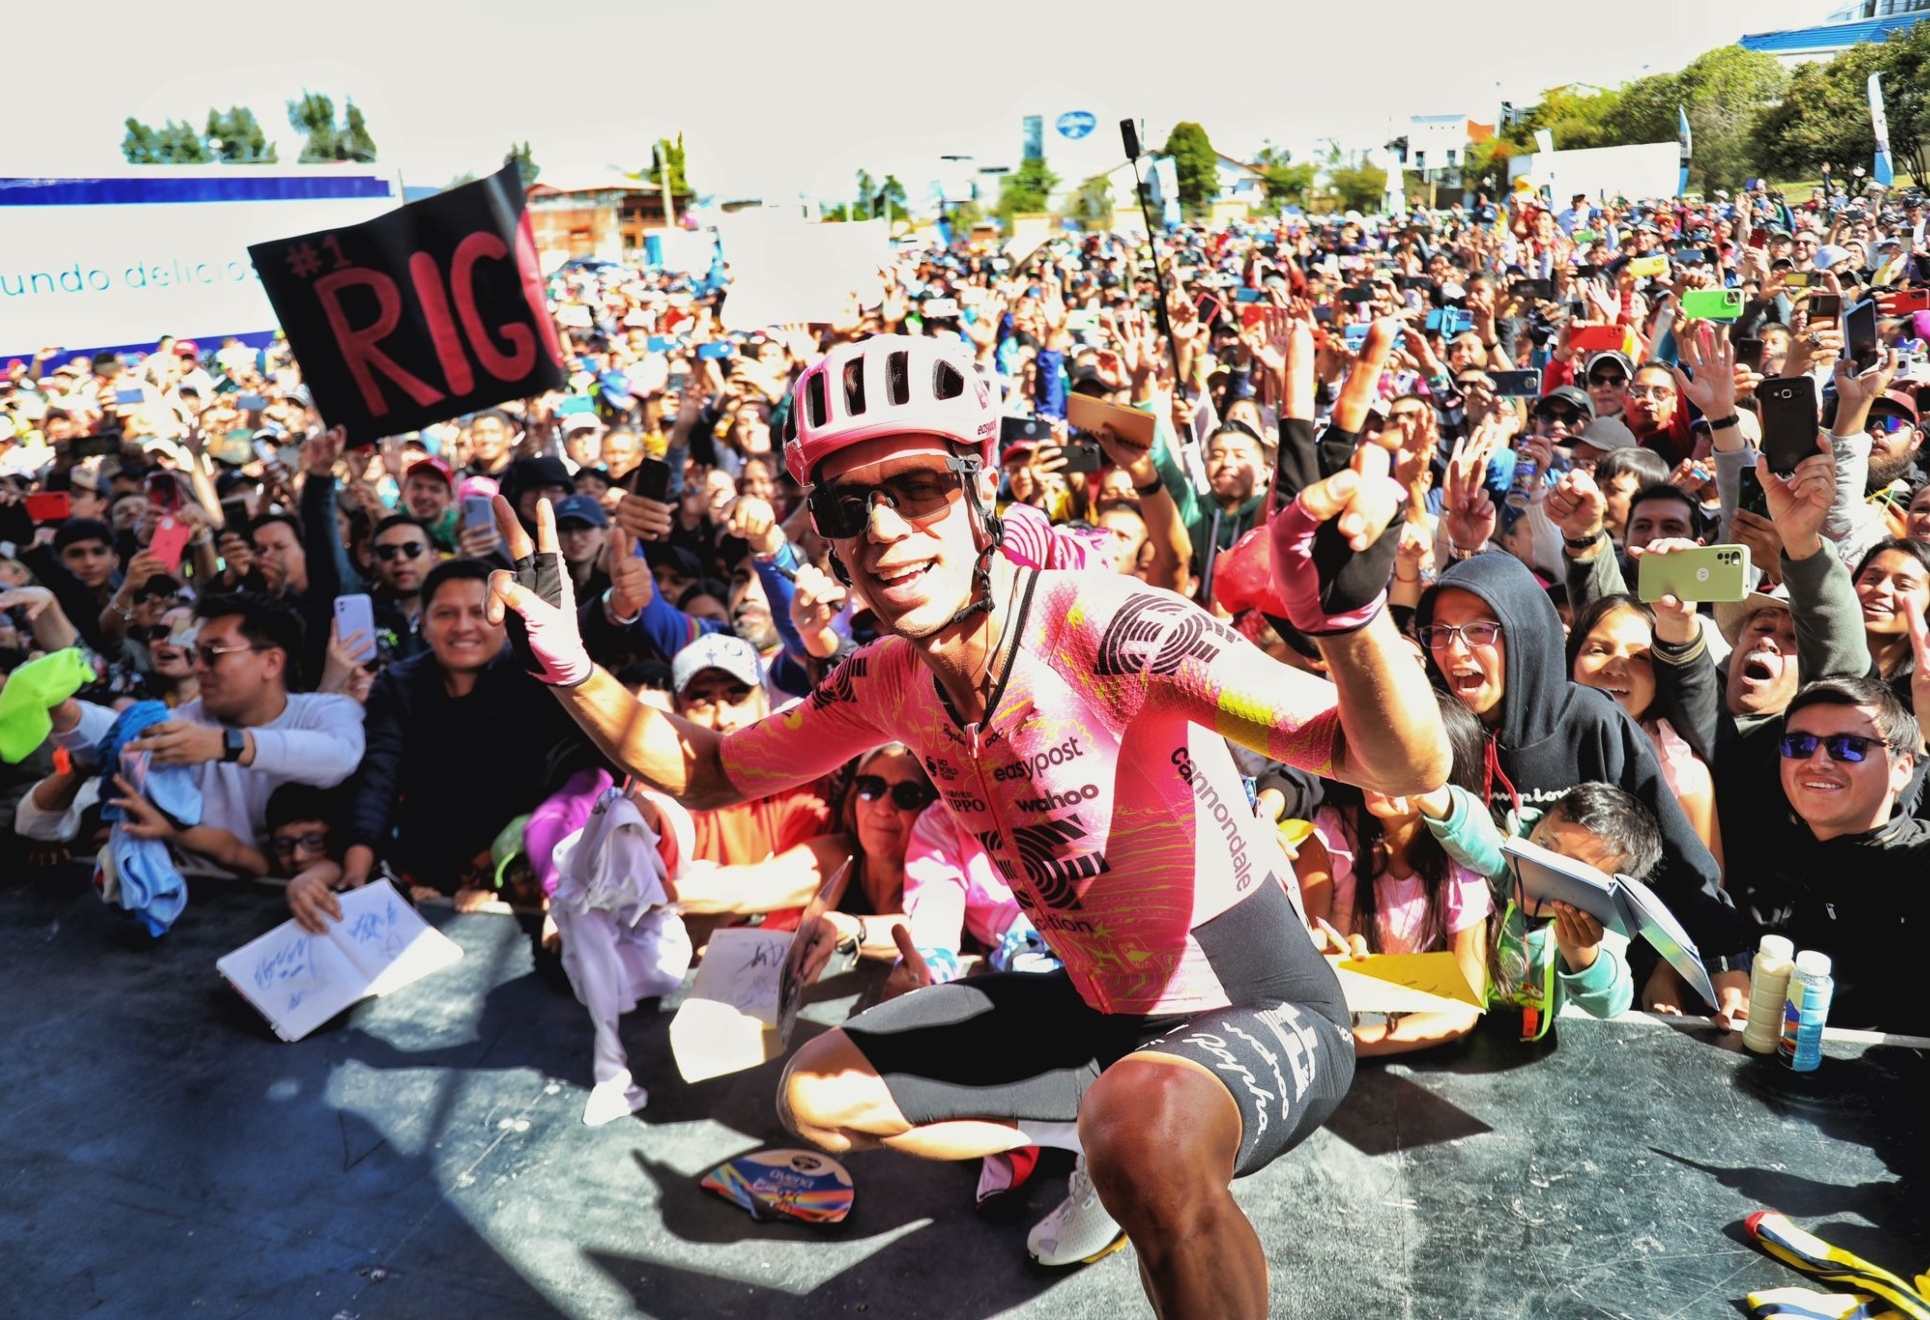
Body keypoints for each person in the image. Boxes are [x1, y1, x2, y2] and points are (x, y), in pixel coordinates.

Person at [486, 329, 1450, 1320]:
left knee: (1144, 1131)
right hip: (1096, 1011)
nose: (885, 529)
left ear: (984, 491)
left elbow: (1396, 763)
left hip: (1259, 1003)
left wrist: (1352, 624)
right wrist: (568, 664)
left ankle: (1123, 1151)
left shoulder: (1109, 626)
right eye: (847, 505)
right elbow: (703, 769)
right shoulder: (885, 681)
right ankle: (1100, 1155)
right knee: (818, 1091)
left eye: (918, 487)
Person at [334, 560, 601, 908]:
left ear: (503, 622)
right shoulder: (398, 684)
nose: (462, 627)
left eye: (478, 613)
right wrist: (356, 871)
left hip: (524, 876)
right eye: (445, 614)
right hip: (425, 876)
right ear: (424, 625)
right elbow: (377, 777)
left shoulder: (535, 678)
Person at [45, 592, 365, 872]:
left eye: (213, 654)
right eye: (197, 653)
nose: (198, 667)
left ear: (271, 662)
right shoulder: (182, 723)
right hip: (203, 901)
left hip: (308, 899)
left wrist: (227, 745)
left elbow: (339, 756)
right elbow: (112, 731)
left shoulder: (324, 711)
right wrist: (61, 709)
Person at [1727, 676, 1929, 1034]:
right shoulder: (1756, 833)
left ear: (1901, 770)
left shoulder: (1916, 861)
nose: (1817, 761)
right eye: (1799, 745)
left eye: (1848, 747)